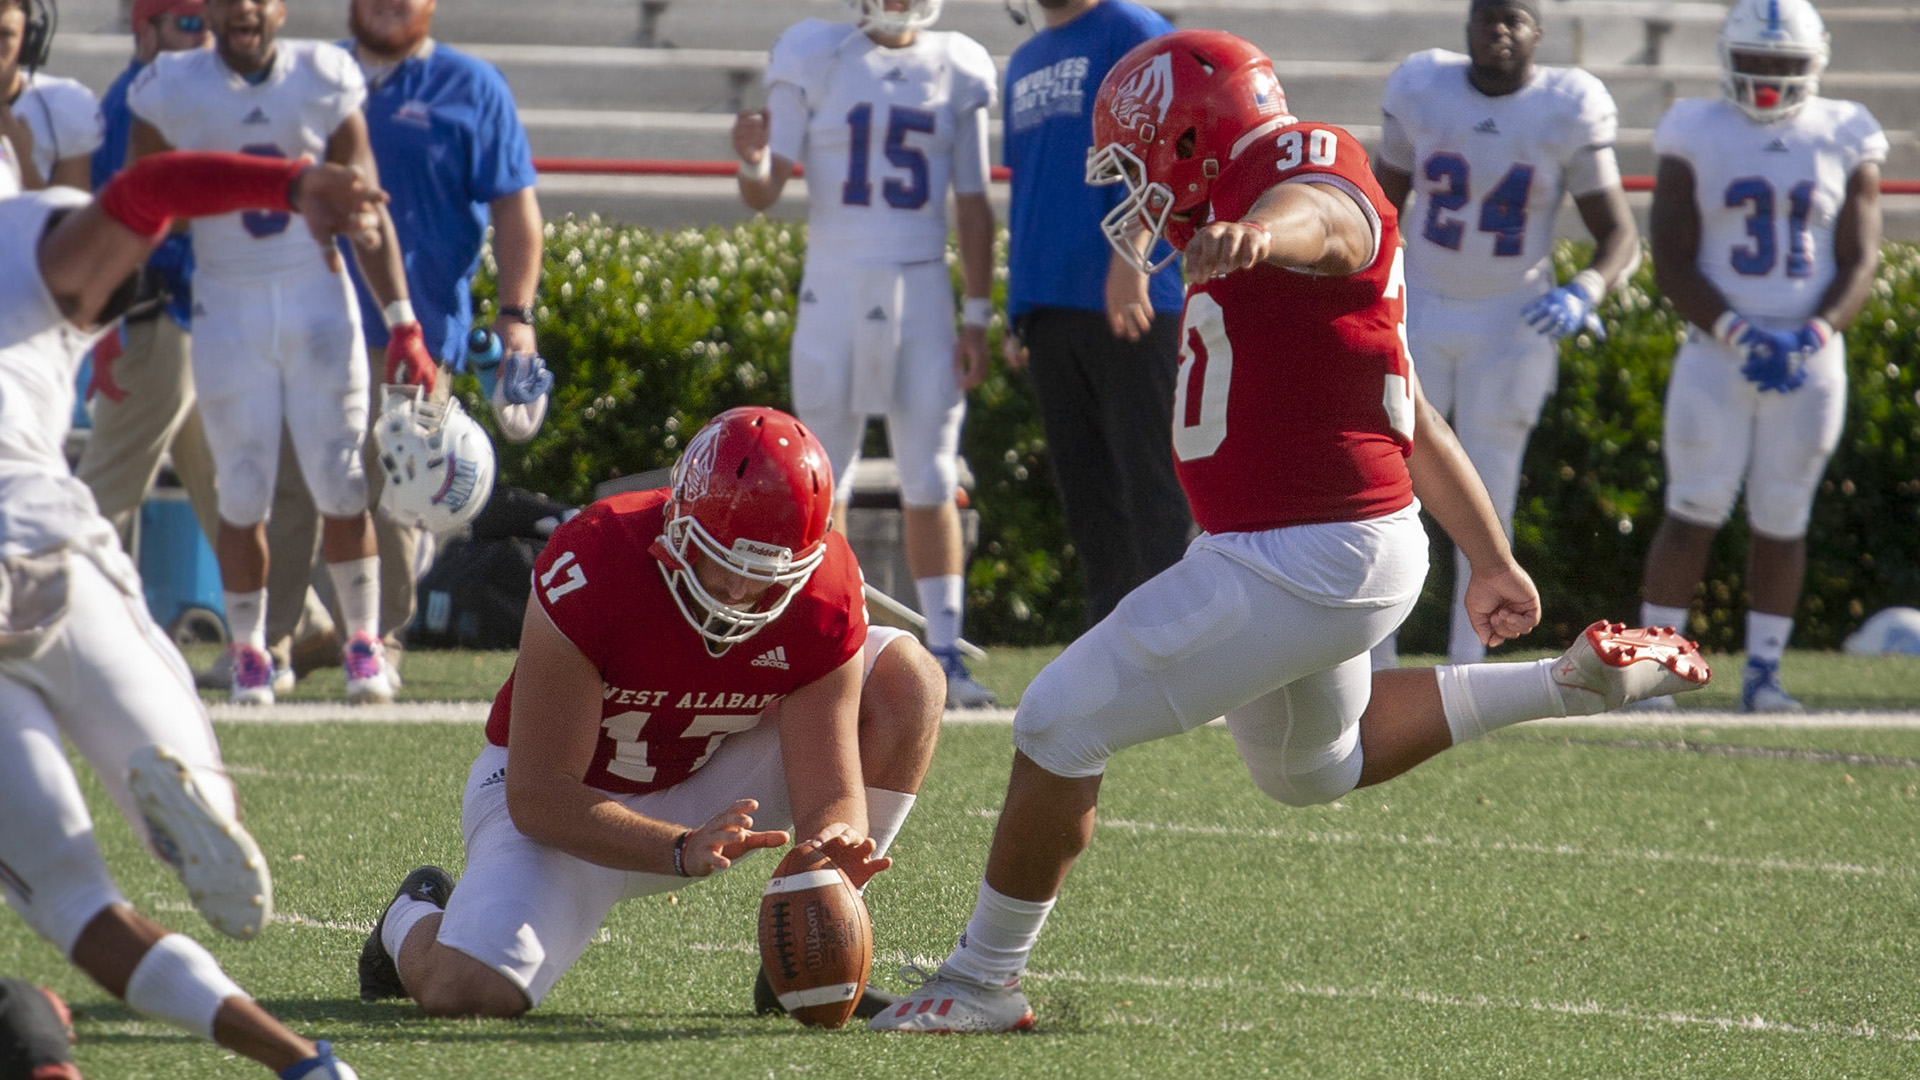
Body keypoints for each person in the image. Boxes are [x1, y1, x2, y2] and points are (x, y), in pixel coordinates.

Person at [866, 31, 1709, 1033]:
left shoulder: (1292, 168)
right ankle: (1570, 684)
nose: (1131, 195)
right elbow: (1407, 413)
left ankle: (979, 982)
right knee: (1314, 770)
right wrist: (1490, 554)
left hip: (1300, 549)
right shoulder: (1238, 203)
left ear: (1191, 137)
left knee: (1056, 721)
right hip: (1332, 544)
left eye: (1138, 165)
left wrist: (1266, 232)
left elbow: (1327, 215)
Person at [355, 406, 947, 1021]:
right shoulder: (597, 562)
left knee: (909, 680)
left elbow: (830, 784)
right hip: (565, 806)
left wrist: (833, 845)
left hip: (709, 780)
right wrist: (679, 846)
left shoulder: (823, 590)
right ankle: (409, 918)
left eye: (766, 575)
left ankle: (804, 951)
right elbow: (537, 794)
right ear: (678, 522)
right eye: (724, 562)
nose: (740, 594)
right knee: (470, 990)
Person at [0, 150, 381, 1080]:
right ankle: (189, 803)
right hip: (42, 548)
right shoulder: (23, 238)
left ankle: (299, 1064)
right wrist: (292, 183)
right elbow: (149, 192)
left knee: (74, 906)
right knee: (193, 784)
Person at [126, 0, 439, 706]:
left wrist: (403, 323)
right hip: (227, 303)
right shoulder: (172, 85)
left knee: (340, 481)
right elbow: (140, 201)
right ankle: (250, 652)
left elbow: (365, 205)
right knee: (241, 488)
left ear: (281, 8)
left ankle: (363, 644)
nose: (245, 8)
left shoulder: (321, 74)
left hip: (314, 298)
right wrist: (116, 317)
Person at [259, 0, 548, 690]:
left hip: (416, 337)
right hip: (308, 322)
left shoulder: (472, 86)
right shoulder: (315, 76)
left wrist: (517, 315)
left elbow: (516, 208)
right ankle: (271, 642)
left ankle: (377, 640)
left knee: (395, 495)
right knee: (290, 490)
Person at [730, 0, 999, 708]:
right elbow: (764, 190)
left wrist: (977, 311)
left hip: (920, 286)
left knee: (932, 475)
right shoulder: (814, 53)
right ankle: (838, 648)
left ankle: (944, 652)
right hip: (835, 285)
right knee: (826, 477)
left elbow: (973, 201)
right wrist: (751, 154)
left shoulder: (957, 64)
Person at [1633, 0, 1884, 713]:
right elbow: (1673, 260)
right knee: (1691, 508)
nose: (1769, 77)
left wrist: (1812, 334)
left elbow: (1859, 258)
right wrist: (1740, 333)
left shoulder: (1845, 130)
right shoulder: (1694, 128)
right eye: (1757, 62)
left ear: (1815, 63)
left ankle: (1765, 675)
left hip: (1810, 354)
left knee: (1785, 515)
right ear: (1726, 58)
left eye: (1784, 64)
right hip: (1719, 350)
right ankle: (1654, 672)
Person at [1373, 0, 1639, 666]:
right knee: (1386, 486)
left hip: (1512, 321)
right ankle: (1373, 657)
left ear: (1538, 33)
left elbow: (1619, 233)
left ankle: (1470, 663)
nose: (1499, 29)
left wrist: (1586, 289)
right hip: (1422, 306)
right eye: (1488, 16)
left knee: (1490, 498)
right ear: (1467, 28)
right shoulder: (1423, 87)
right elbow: (1380, 206)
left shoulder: (1567, 104)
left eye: (1514, 18)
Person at [999, 0, 1192, 632]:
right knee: (1087, 499)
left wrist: (1133, 249)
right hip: (1050, 303)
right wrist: (1017, 307)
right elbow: (1030, 183)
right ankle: (1113, 653)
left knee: (1153, 484)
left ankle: (1184, 645)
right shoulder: (1024, 58)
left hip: (1129, 297)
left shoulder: (1134, 29)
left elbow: (1174, 144)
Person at [75, 0, 221, 577]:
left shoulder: (178, 98)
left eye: (209, 22)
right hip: (152, 318)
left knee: (220, 486)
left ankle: (298, 623)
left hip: (186, 319)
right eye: (188, 24)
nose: (205, 36)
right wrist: (105, 326)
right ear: (145, 34)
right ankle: (38, 610)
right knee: (100, 497)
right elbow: (116, 229)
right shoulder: (135, 105)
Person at [0, 0, 99, 192]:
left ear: (29, 40)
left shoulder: (63, 105)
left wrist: (22, 161)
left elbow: (66, 218)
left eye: (4, 34)